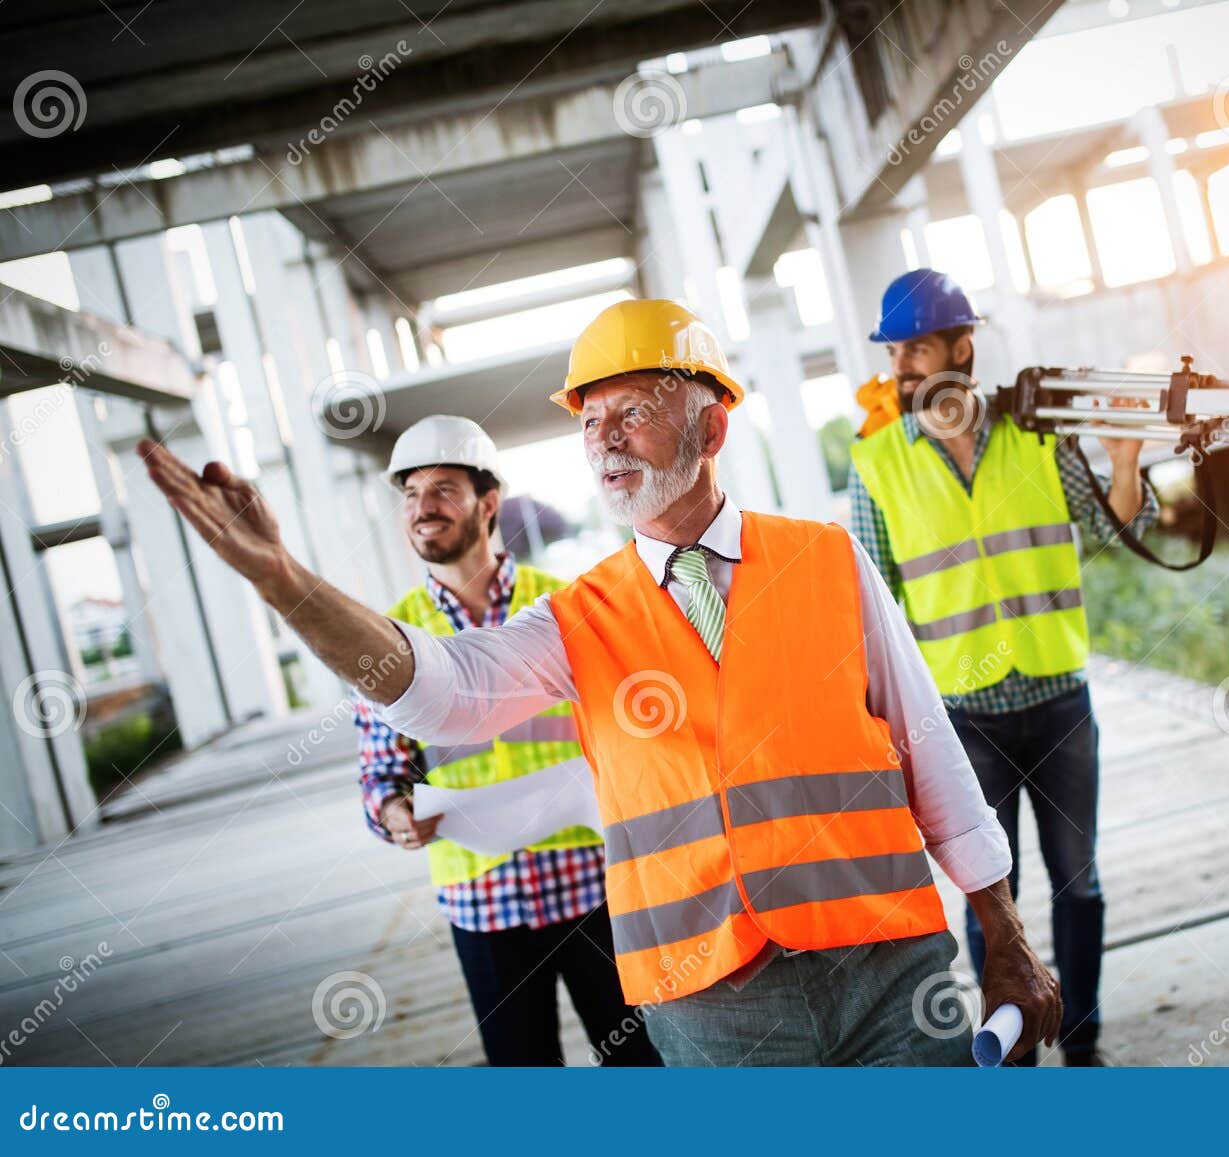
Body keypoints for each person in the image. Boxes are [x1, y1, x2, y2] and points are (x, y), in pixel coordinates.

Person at [135, 299, 1060, 1067]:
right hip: (714, 1007)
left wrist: (1007, 936)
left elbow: (927, 748)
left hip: (892, 974)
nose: (603, 441)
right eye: (587, 420)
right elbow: (438, 690)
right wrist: (286, 584)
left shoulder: (825, 559)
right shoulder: (578, 620)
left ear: (712, 424)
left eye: (630, 412)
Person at [847, 269, 1161, 1066]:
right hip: (963, 718)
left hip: (1059, 697)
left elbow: (1112, 528)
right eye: (895, 352)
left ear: (963, 347)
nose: (903, 368)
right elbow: (875, 612)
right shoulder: (879, 462)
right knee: (993, 901)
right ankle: (1011, 1062)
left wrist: (1125, 461)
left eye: (917, 348)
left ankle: (1082, 1045)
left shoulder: (1036, 433)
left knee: (1077, 881)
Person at [353, 414, 659, 1067]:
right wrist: (393, 812)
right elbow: (381, 772)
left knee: (643, 1064)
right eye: (410, 494)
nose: (421, 508)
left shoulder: (569, 606)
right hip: (482, 901)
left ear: (487, 503)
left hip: (595, 888)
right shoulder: (393, 636)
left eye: (441, 490)